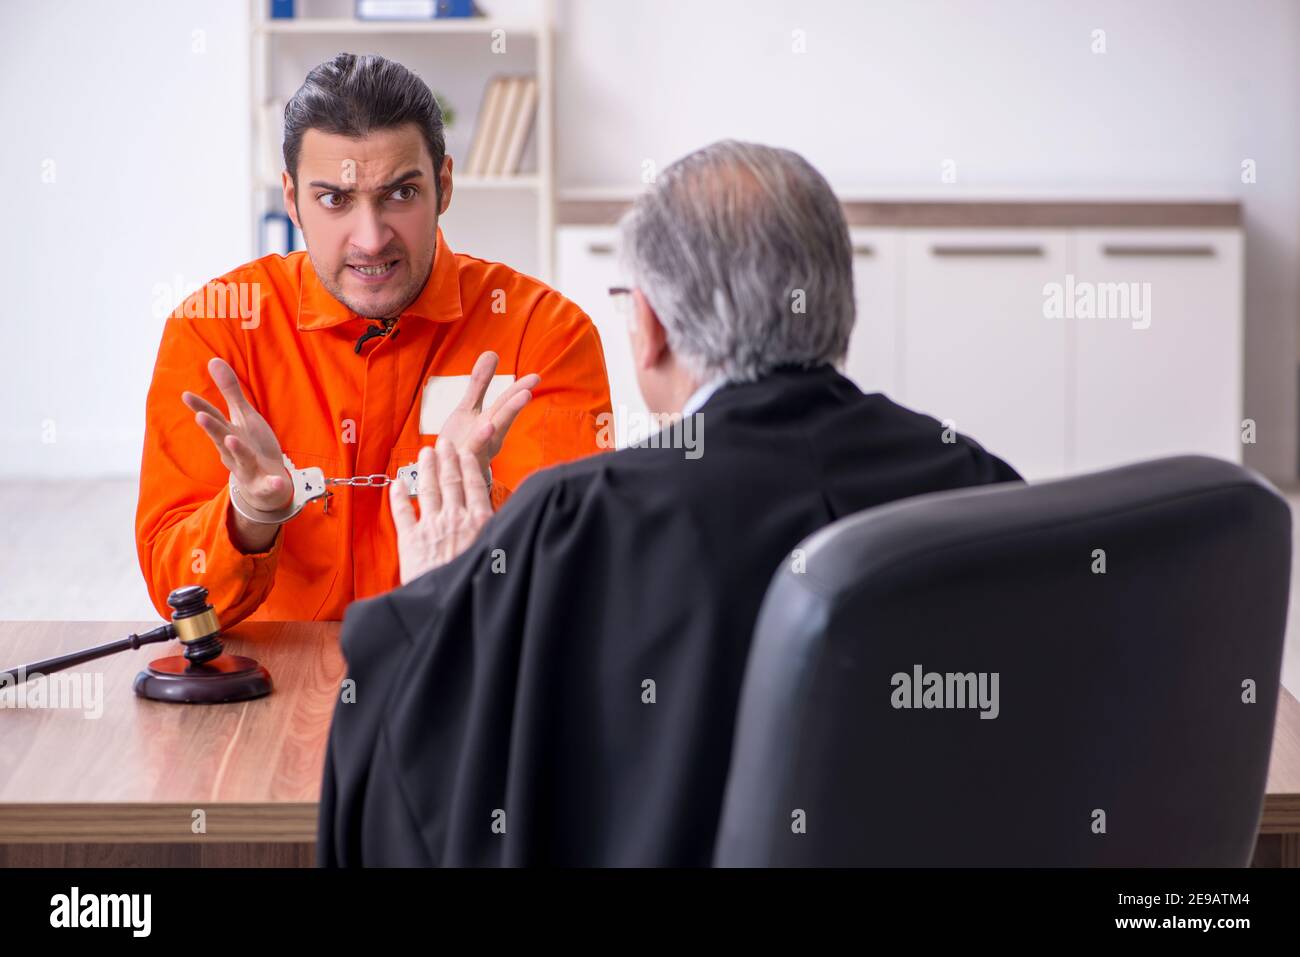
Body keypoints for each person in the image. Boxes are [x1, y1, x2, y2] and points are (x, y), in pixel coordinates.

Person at [318, 140, 1023, 866]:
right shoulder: (981, 487)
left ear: (649, 326)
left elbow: (423, 800)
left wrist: (438, 601)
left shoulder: (575, 523)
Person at [135, 54, 611, 627]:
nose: (370, 237)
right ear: (291, 200)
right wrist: (248, 515)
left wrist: (482, 502)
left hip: (460, 670)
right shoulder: (215, 331)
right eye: (335, 199)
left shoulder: (545, 334)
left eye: (401, 194)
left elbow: (581, 577)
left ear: (444, 185)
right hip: (273, 692)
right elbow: (176, 593)